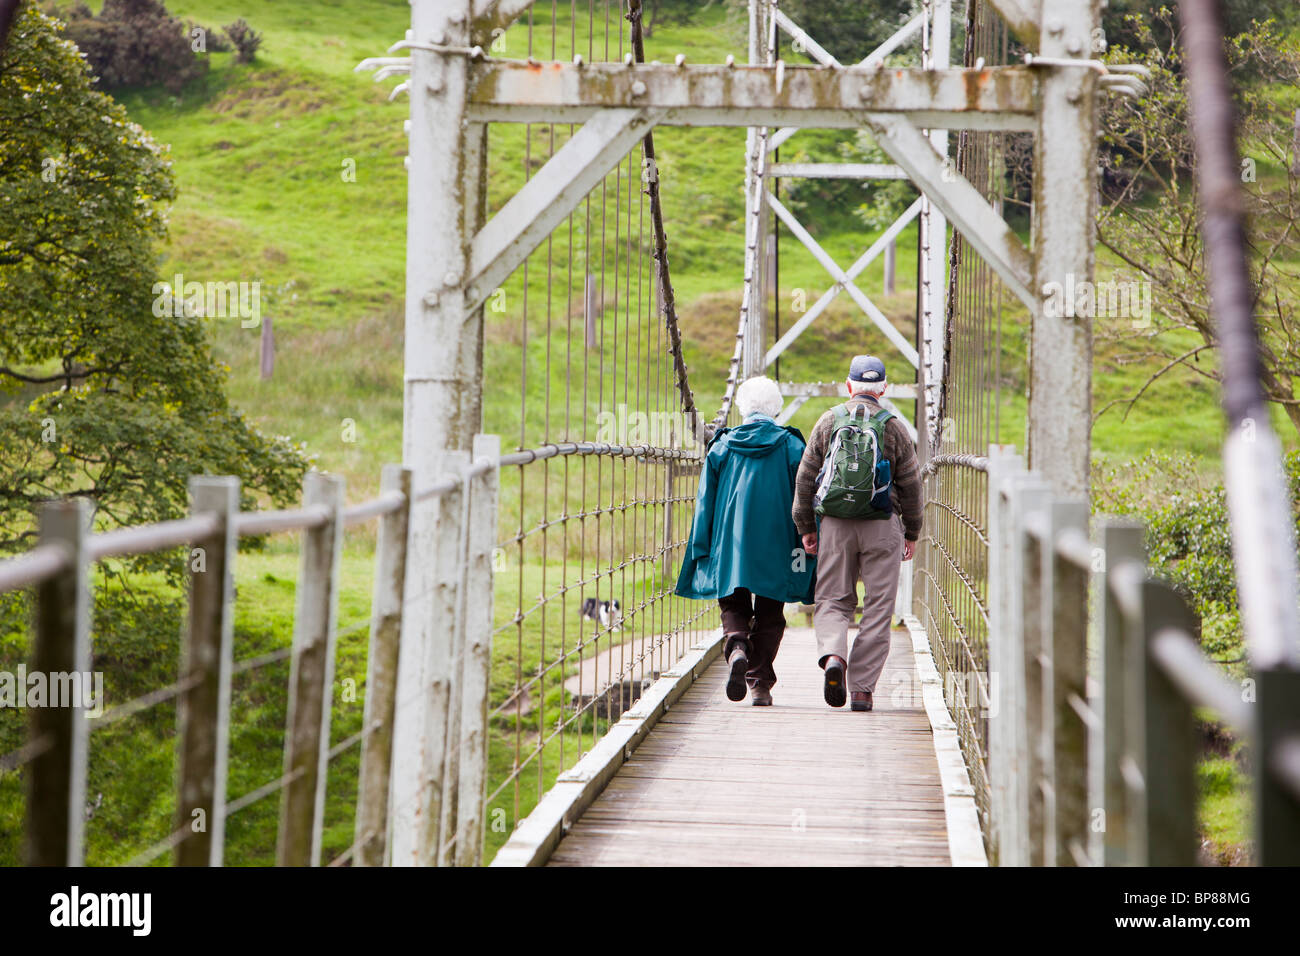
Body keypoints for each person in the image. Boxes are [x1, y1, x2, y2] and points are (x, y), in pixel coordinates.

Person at [791, 355, 922, 712]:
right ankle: (862, 689)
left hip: (836, 524)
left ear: (848, 386)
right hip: (882, 525)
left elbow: (805, 477)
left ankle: (834, 656)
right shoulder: (893, 426)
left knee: (833, 598)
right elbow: (910, 484)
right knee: (879, 607)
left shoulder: (829, 420)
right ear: (883, 388)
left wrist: (806, 526)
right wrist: (912, 531)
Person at [675, 376, 815, 706]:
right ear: (777, 408)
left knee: (732, 601)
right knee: (771, 609)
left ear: (741, 408)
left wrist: (701, 545)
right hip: (779, 542)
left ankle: (737, 645)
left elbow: (705, 502)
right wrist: (807, 542)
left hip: (730, 542)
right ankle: (760, 685)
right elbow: (806, 497)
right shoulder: (793, 447)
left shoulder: (721, 447)